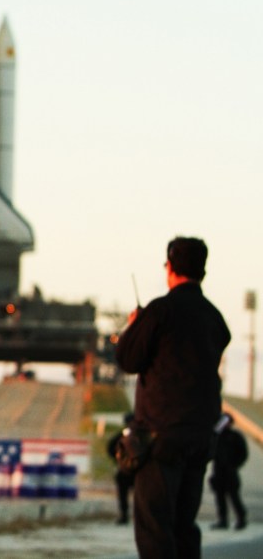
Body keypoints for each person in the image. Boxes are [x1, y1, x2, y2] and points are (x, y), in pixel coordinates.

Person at [114, 236, 231, 558]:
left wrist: (134, 326)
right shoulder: (215, 319)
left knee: (155, 531)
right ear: (202, 270)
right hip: (200, 437)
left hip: (160, 438)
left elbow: (128, 359)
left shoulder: (160, 311)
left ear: (170, 267)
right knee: (184, 528)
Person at [208, 413, 248, 530]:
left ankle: (241, 519)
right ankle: (223, 520)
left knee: (234, 497)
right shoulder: (216, 436)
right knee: (220, 498)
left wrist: (234, 465)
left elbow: (243, 454)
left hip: (230, 472)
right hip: (218, 472)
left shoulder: (235, 436)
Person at [106, 412, 136, 524]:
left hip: (139, 472)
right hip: (126, 471)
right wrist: (119, 460)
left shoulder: (142, 436)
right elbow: (111, 447)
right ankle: (124, 515)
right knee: (123, 495)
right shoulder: (123, 436)